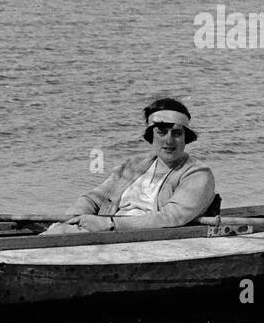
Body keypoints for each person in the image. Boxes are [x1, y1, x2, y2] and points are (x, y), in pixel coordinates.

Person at [47, 98, 216, 233]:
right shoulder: (132, 166)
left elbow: (170, 218)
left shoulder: (198, 174)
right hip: (108, 232)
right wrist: (73, 218)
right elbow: (94, 198)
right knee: (54, 232)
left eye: (177, 133)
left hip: (147, 240)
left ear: (187, 138)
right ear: (151, 135)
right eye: (161, 132)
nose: (169, 140)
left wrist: (109, 224)